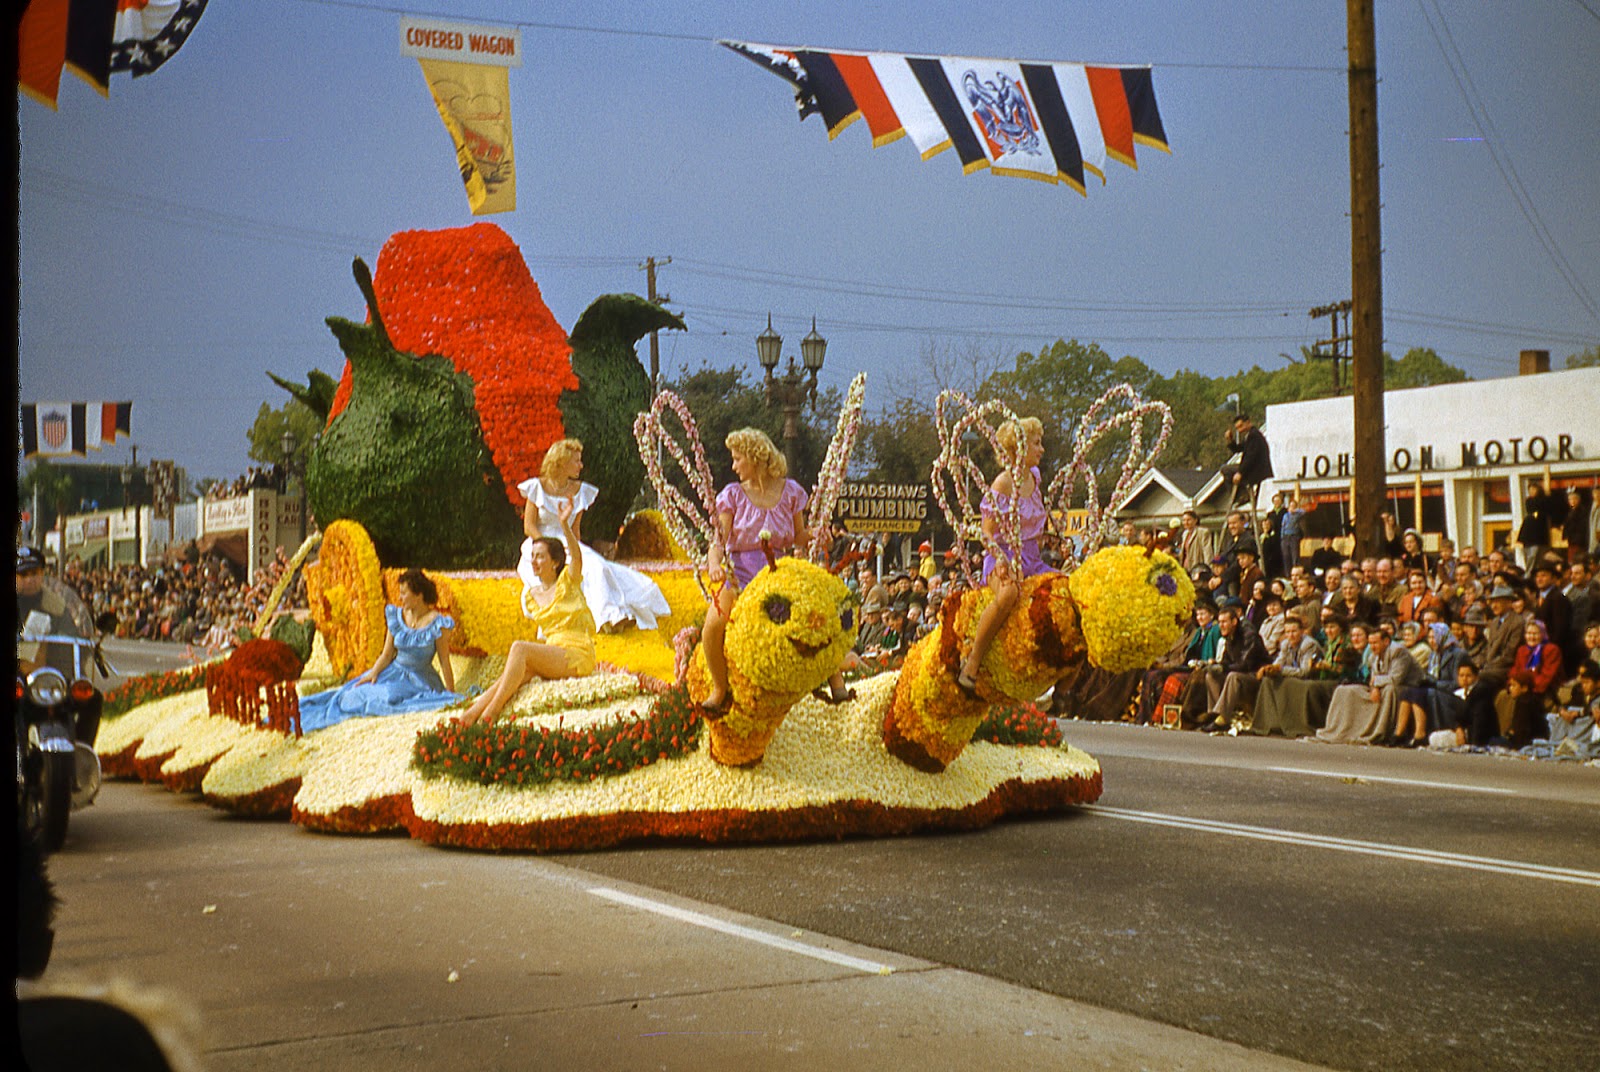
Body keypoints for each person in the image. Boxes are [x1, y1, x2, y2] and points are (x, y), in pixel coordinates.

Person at [698, 428, 851, 712]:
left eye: (737, 459)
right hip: (740, 575)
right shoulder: (732, 495)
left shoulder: (791, 492)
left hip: (778, 572)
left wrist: (819, 533)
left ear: (755, 458)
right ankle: (720, 688)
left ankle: (836, 681)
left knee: (819, 613)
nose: (733, 466)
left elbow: (799, 537)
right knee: (714, 623)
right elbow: (718, 540)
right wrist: (714, 564)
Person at [458, 497, 595, 726]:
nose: (534, 561)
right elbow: (543, 636)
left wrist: (564, 526)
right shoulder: (532, 596)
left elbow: (577, 557)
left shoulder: (567, 582)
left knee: (519, 649)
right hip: (554, 651)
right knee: (517, 673)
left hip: (577, 652)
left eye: (540, 556)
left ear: (555, 562)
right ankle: (471, 714)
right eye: (532, 556)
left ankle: (490, 713)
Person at [517, 438, 670, 633]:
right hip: (539, 543)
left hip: (568, 542)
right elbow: (529, 526)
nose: (581, 466)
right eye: (576, 461)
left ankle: (612, 617)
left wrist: (577, 551)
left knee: (597, 567)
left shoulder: (580, 491)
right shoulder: (536, 487)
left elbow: (575, 531)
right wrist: (546, 545)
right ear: (562, 462)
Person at [957, 417, 1051, 699]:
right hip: (1003, 555)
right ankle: (972, 663)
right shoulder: (1002, 482)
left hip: (1033, 558)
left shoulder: (1035, 477)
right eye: (1036, 443)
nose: (1042, 449)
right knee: (1008, 593)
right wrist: (1000, 559)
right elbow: (986, 532)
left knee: (1064, 590)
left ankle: (1053, 675)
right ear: (1017, 447)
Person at [299, 568, 458, 732]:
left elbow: (444, 661)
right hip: (394, 672)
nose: (400, 597)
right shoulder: (397, 617)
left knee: (387, 697)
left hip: (420, 680)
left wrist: (451, 692)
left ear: (418, 596)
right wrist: (373, 673)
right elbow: (387, 654)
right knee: (352, 694)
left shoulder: (438, 623)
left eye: (404, 593)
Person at [1316, 625, 1420, 745]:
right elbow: (1373, 679)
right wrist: (1374, 686)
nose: (1372, 646)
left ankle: (1380, 731)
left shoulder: (1398, 652)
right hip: (1383, 685)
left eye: (1375, 643)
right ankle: (1342, 728)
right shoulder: (1373, 656)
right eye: (1370, 643)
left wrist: (1375, 683)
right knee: (1344, 690)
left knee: (1389, 690)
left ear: (1386, 642)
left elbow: (1395, 679)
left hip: (1408, 686)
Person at [1221, 411, 1272, 511]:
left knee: (1226, 470)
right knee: (1227, 469)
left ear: (1248, 422)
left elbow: (1251, 457)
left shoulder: (1254, 435)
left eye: (1241, 426)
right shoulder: (1249, 436)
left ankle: (1241, 495)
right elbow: (1239, 449)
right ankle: (1241, 494)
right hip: (1253, 468)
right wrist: (1230, 441)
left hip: (1256, 470)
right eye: (1237, 428)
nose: (1239, 430)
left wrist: (1240, 472)